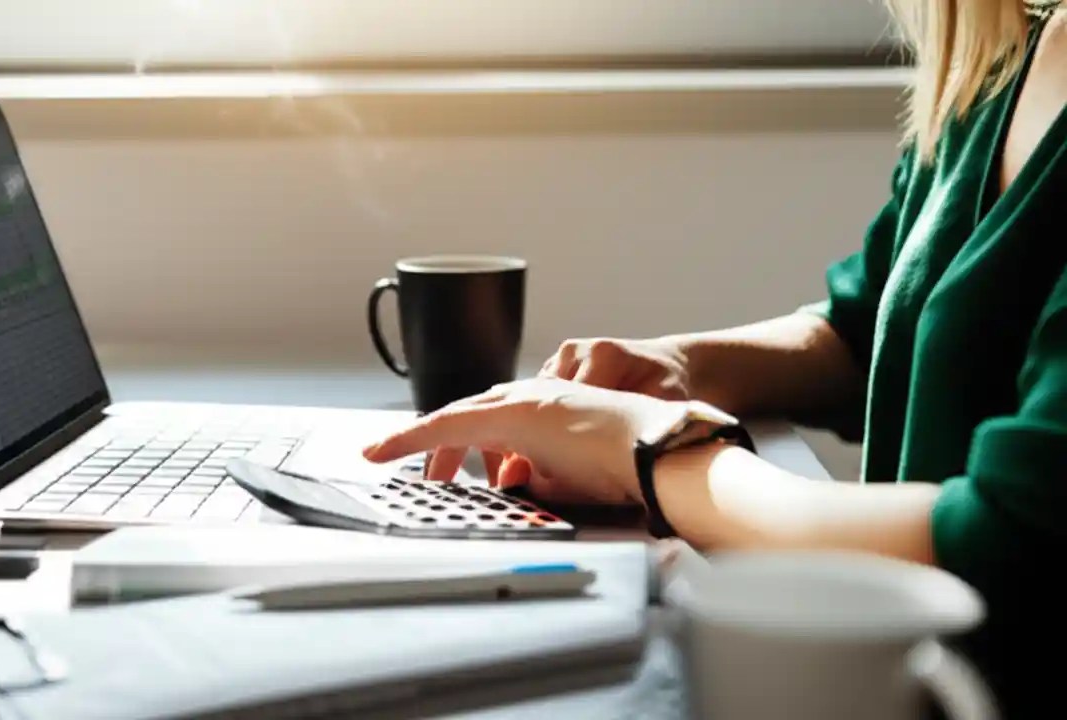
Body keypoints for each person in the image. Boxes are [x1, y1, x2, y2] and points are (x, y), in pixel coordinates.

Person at [362, 0, 1066, 715]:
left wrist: (651, 452)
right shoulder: (1009, 50)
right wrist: (679, 365)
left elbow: (1007, 541)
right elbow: (872, 328)